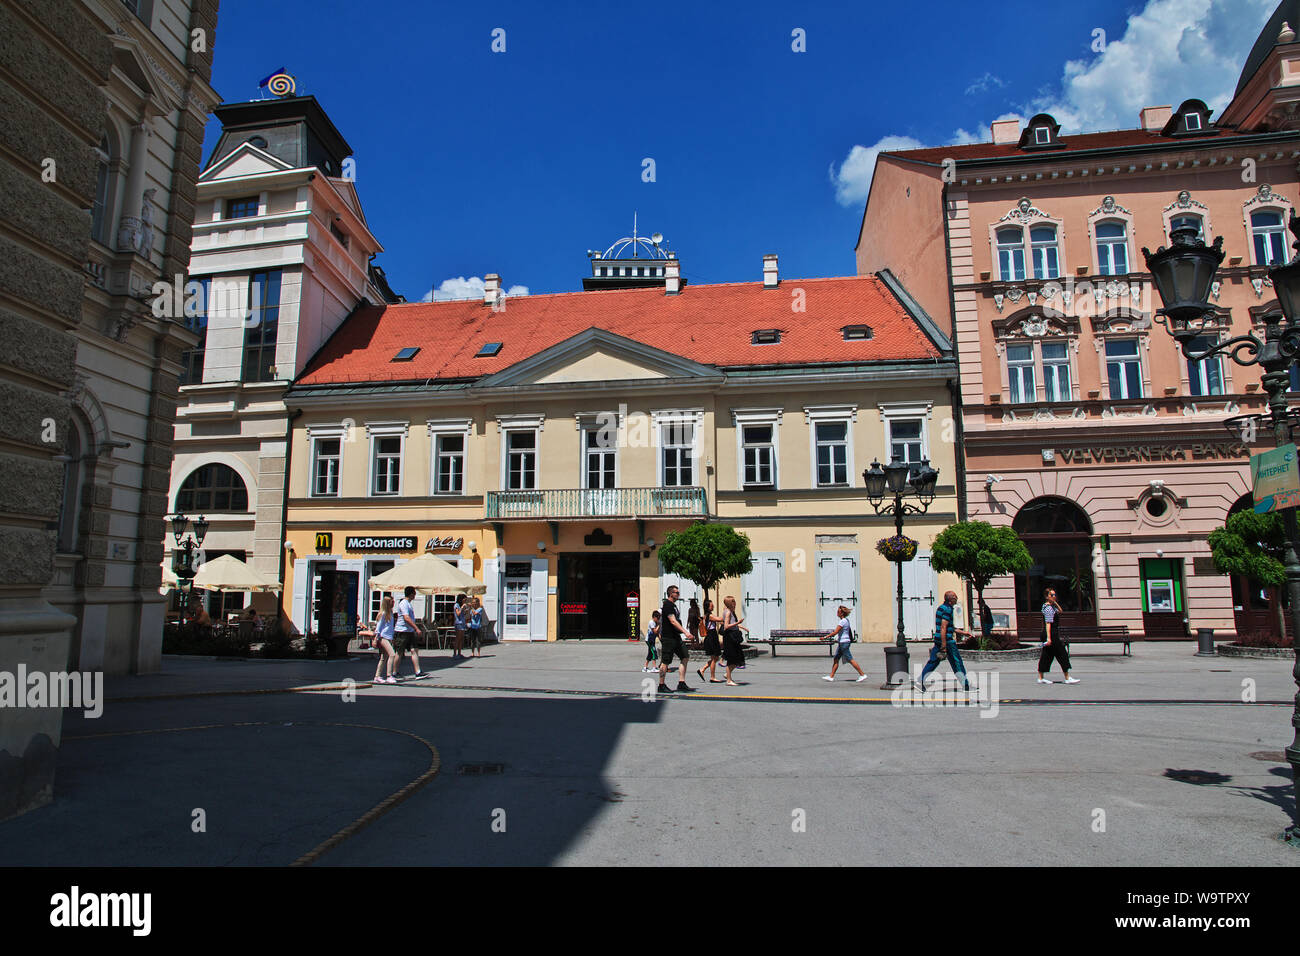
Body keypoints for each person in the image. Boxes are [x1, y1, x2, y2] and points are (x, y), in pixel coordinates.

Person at [917, 591, 972, 691]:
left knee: (933, 662)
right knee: (957, 663)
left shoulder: (941, 607)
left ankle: (919, 682)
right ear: (951, 600)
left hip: (938, 639)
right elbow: (943, 627)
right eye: (955, 597)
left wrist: (964, 633)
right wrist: (944, 645)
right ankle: (966, 686)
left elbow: (950, 627)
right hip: (947, 641)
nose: (956, 598)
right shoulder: (948, 610)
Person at [1037, 587, 1079, 684]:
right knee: (1062, 654)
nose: (1054, 596)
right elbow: (1048, 623)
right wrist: (1048, 638)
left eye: (1055, 595)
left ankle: (1040, 677)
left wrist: (1054, 602)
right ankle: (1067, 678)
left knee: (1047, 655)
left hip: (1052, 633)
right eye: (1051, 595)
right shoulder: (1048, 608)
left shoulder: (1051, 607)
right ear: (1046, 597)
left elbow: (1060, 611)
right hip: (1051, 633)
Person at [657, 585, 695, 693]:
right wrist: (686, 632)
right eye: (676, 593)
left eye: (678, 592)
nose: (678, 594)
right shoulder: (667, 605)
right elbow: (673, 621)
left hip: (676, 637)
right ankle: (661, 685)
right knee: (665, 661)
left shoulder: (673, 605)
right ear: (671, 594)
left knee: (685, 656)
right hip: (668, 637)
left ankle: (681, 683)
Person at [822, 605, 868, 682]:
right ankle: (831, 676)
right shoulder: (846, 620)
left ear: (841, 613)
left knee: (850, 659)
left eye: (838, 612)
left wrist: (825, 637)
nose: (837, 613)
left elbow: (836, 632)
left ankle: (862, 674)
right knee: (836, 659)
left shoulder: (842, 621)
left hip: (844, 643)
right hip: (842, 643)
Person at [358, 595, 397, 684]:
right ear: (388, 603)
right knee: (392, 654)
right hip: (383, 637)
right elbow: (378, 628)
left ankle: (377, 676)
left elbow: (389, 627)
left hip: (389, 637)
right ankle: (389, 675)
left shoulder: (390, 612)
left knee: (384, 657)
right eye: (392, 601)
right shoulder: (383, 614)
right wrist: (376, 639)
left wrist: (392, 637)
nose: (394, 603)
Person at [393, 585, 425, 680]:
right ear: (411, 594)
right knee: (399, 652)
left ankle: (418, 672)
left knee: (414, 650)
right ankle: (394, 672)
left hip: (409, 631)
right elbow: (406, 618)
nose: (415, 595)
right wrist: (416, 628)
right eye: (414, 593)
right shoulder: (404, 603)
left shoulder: (408, 603)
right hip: (402, 631)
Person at [720, 596, 748, 686]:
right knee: (732, 659)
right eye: (732, 601)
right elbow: (726, 626)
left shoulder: (731, 612)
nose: (734, 603)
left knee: (739, 658)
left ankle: (727, 674)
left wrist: (741, 626)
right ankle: (728, 680)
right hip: (729, 637)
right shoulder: (728, 612)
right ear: (728, 603)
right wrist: (738, 623)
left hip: (734, 636)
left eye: (734, 601)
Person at [697, 598, 724, 683]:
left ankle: (702, 669)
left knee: (715, 658)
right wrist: (727, 612)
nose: (713, 606)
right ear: (708, 607)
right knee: (714, 658)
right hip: (711, 636)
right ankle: (712, 677)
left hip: (712, 636)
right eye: (711, 605)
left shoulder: (707, 615)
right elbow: (720, 619)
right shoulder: (710, 616)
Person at [452, 593, 468, 658]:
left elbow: (461, 614)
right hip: (458, 623)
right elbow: (458, 613)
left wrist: (465, 611)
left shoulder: (460, 605)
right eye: (464, 599)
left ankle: (459, 653)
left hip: (462, 623)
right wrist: (462, 608)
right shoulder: (456, 605)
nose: (465, 601)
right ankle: (455, 654)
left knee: (461, 639)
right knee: (457, 639)